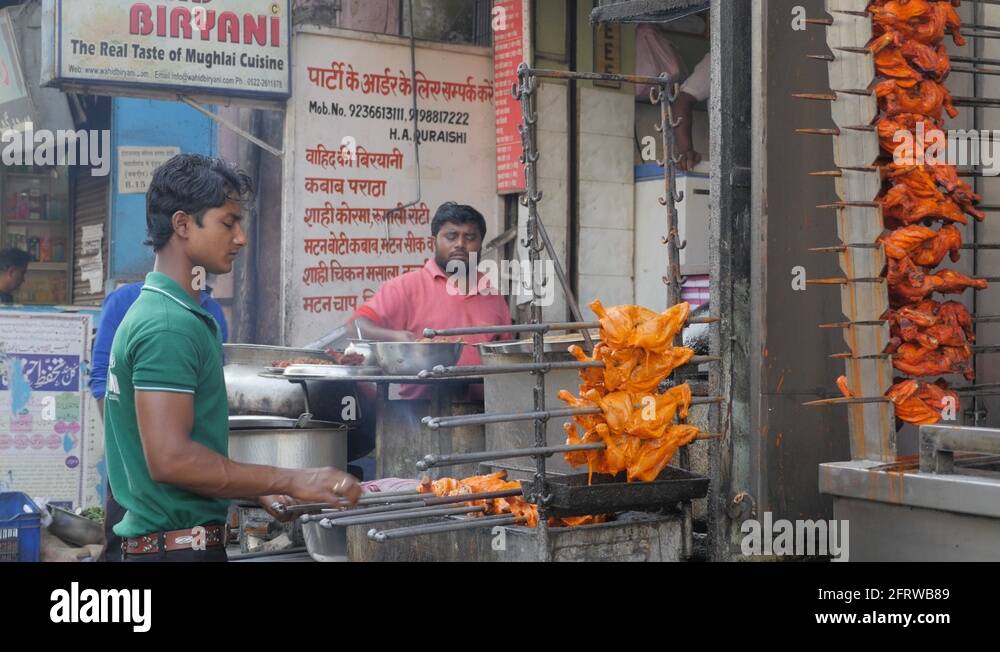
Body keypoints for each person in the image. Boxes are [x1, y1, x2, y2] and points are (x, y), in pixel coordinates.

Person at [104, 154, 360, 562]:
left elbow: (185, 452)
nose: (240, 237)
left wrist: (256, 486)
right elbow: (172, 459)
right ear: (183, 225)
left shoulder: (170, 311)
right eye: (228, 223)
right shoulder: (169, 325)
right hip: (177, 552)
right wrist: (295, 478)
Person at [90, 280, 229, 561]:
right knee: (122, 545)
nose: (238, 239)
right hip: (136, 478)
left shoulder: (212, 312)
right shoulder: (127, 302)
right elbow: (102, 380)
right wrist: (131, 454)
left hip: (194, 481)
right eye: (226, 230)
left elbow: (210, 395)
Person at [348, 202, 514, 400]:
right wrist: (396, 336)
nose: (460, 244)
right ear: (433, 242)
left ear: (479, 244)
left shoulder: (493, 296)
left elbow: (507, 355)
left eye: (470, 237)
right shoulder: (405, 287)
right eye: (451, 236)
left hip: (486, 412)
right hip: (421, 413)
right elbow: (356, 325)